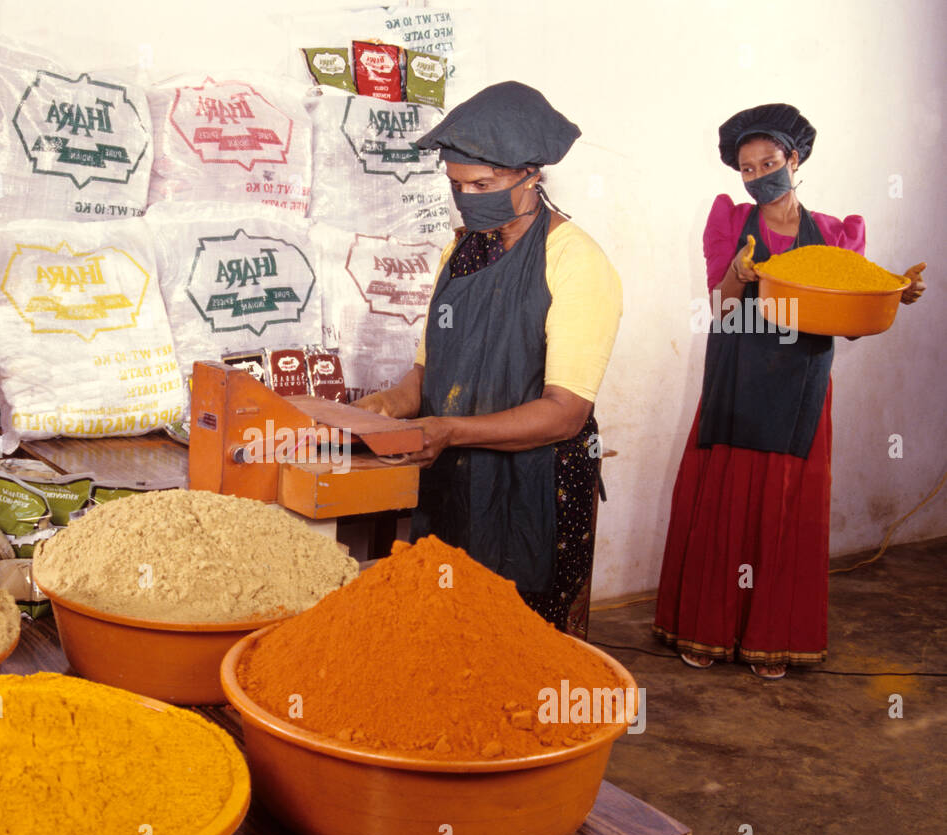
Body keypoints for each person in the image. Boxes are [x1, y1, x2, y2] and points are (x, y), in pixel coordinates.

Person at [653, 103, 927, 679]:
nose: (757, 176)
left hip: (800, 385)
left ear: (793, 159)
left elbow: (848, 322)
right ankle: (707, 627)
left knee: (784, 505)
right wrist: (740, 274)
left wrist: (891, 295)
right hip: (737, 377)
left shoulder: (830, 234)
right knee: (728, 498)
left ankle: (769, 636)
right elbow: (722, 309)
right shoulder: (731, 224)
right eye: (747, 169)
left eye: (768, 162)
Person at [353, 81, 623, 630]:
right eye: (458, 185)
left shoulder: (576, 262)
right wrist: (383, 407)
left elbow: (565, 411)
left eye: (483, 184)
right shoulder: (460, 252)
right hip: (453, 485)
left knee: (519, 648)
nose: (469, 198)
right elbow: (426, 375)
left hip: (535, 491)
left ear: (532, 176)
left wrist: (448, 430)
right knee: (446, 637)